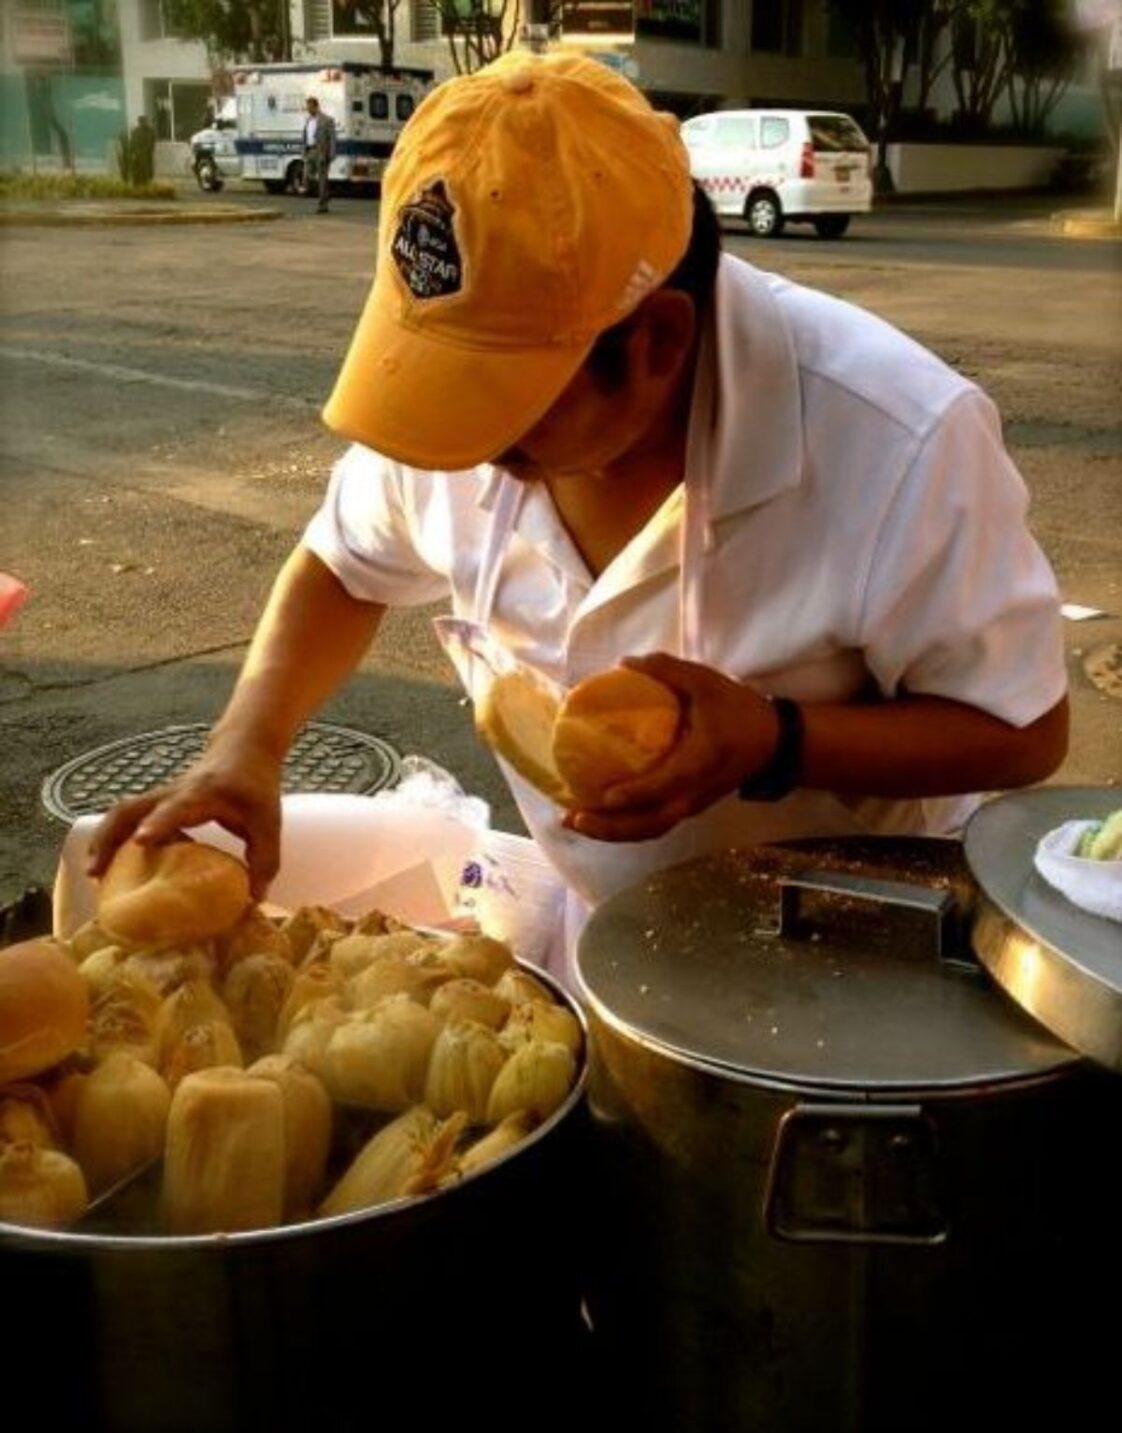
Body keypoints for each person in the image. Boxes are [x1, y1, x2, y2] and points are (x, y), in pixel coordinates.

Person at [89, 52, 1068, 988]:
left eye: (503, 407)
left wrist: (776, 739)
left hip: (844, 960)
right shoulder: (451, 427)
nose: (463, 449)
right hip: (602, 935)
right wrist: (245, 748)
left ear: (657, 344)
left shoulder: (896, 440)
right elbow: (342, 566)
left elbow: (1023, 729)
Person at [302, 96, 336, 213]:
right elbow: (305, 136)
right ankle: (326, 193)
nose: (308, 110)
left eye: (310, 107)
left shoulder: (327, 120)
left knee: (322, 179)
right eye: (307, 107)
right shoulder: (308, 120)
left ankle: (322, 205)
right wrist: (304, 150)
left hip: (321, 152)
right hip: (310, 151)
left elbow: (332, 138)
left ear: (316, 106)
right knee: (306, 175)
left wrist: (331, 154)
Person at [128, 114, 156, 186]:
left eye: (145, 121)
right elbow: (132, 143)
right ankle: (138, 184)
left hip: (146, 154)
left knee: (147, 170)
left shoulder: (150, 131)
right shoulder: (135, 131)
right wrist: (132, 153)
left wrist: (148, 151)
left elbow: (152, 143)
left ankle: (146, 183)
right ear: (139, 122)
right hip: (138, 154)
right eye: (142, 121)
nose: (143, 123)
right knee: (137, 170)